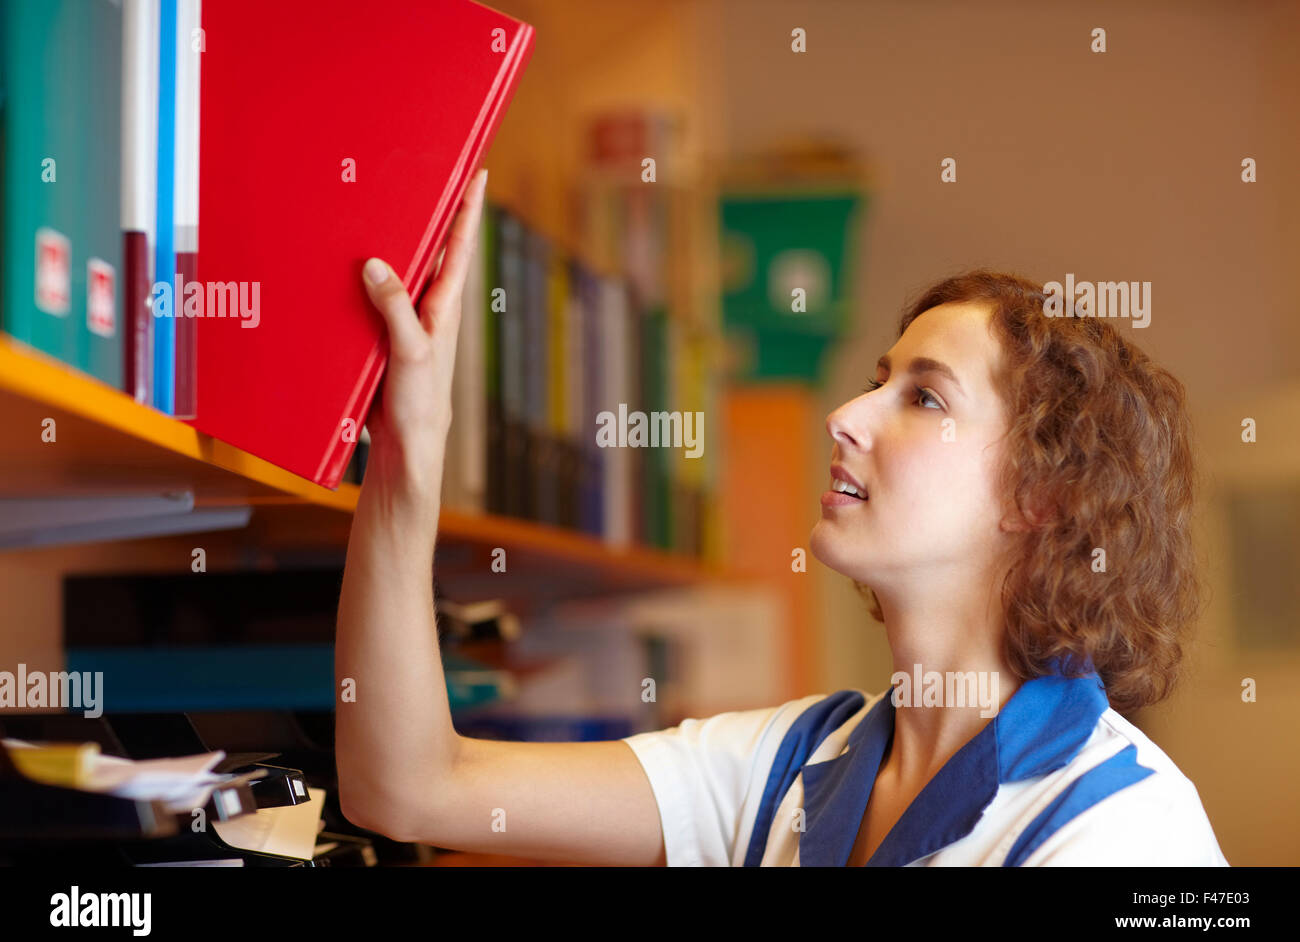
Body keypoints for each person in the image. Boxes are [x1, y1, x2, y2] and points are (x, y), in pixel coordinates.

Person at [334, 168, 1229, 866]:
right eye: (879, 378)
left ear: (1043, 497)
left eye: (923, 398)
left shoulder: (1123, 828)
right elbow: (411, 787)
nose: (847, 414)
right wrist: (411, 453)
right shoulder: (790, 763)